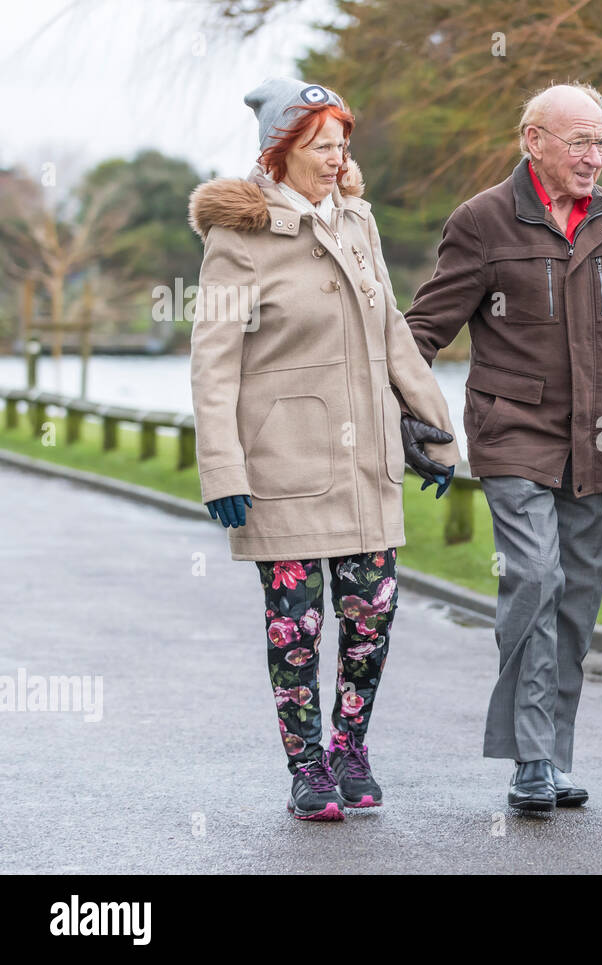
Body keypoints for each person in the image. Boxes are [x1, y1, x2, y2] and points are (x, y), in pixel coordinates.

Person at [401, 82, 602, 812]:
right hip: (514, 432)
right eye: (579, 141)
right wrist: (398, 402)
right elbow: (426, 326)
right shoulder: (483, 221)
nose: (594, 156)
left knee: (575, 603)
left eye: (601, 142)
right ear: (534, 140)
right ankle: (530, 758)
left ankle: (552, 755)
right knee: (533, 576)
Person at [187, 77, 461, 820]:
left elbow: (392, 329)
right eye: (320, 147)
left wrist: (433, 423)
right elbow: (212, 360)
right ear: (278, 152)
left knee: (371, 613)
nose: (337, 159)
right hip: (283, 464)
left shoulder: (358, 221)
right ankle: (306, 767)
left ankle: (350, 745)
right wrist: (221, 466)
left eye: (343, 144)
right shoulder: (237, 238)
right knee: (298, 626)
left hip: (366, 458)